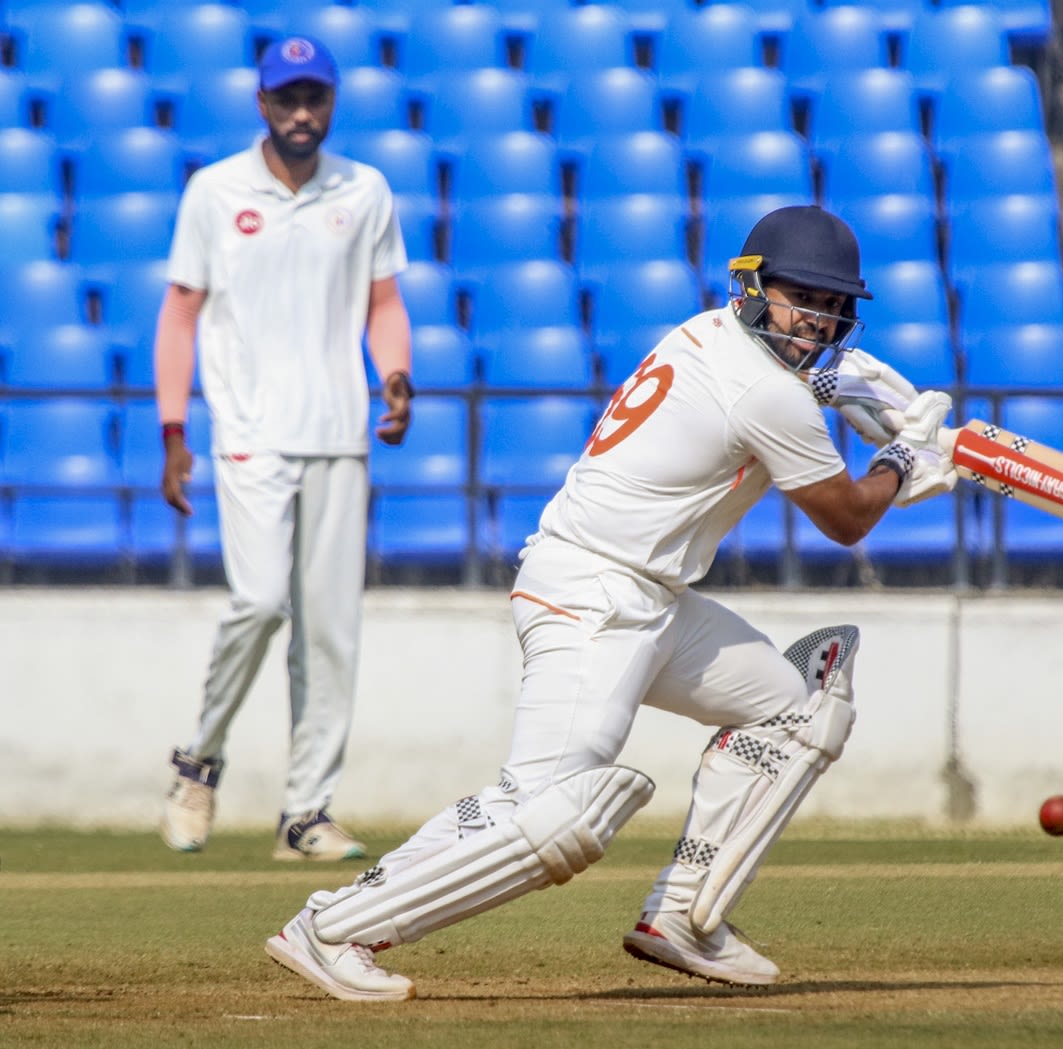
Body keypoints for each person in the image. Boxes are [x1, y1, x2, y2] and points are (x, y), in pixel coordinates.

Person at [263, 204, 954, 1000]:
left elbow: (770, 395)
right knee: (549, 811)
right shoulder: (773, 396)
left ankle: (685, 916)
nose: (817, 321)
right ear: (753, 287)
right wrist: (904, 458)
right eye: (802, 298)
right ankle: (335, 926)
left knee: (797, 708)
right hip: (593, 595)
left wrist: (830, 384)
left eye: (833, 307)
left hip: (649, 596)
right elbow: (847, 517)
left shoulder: (703, 332)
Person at [155, 35, 415, 862]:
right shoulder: (214, 190)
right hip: (250, 432)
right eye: (287, 98)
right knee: (261, 602)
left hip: (338, 431)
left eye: (315, 98)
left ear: (331, 102)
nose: (302, 113)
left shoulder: (364, 189)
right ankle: (199, 763)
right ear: (262, 103)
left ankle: (304, 813)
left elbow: (383, 301)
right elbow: (180, 314)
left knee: (331, 631)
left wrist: (396, 375)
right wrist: (173, 430)